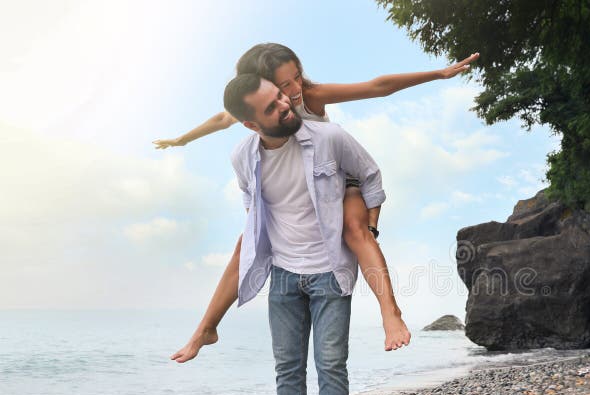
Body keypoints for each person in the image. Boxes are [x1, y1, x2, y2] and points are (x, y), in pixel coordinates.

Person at [162, 44, 479, 357]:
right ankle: (207, 328)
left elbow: (378, 87)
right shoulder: (260, 107)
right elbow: (221, 120)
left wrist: (439, 73)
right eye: (284, 85)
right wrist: (181, 140)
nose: (295, 89)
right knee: (245, 245)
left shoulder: (310, 95)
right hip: (298, 188)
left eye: (297, 77)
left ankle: (390, 313)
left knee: (355, 231)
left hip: (335, 174)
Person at [199, 72, 384, 395]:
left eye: (280, 96)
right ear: (250, 123)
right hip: (282, 273)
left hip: (330, 271)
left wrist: (368, 229)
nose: (284, 105)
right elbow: (253, 210)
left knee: (331, 365)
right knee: (287, 369)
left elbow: (371, 176)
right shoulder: (242, 156)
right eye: (271, 107)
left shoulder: (328, 137)